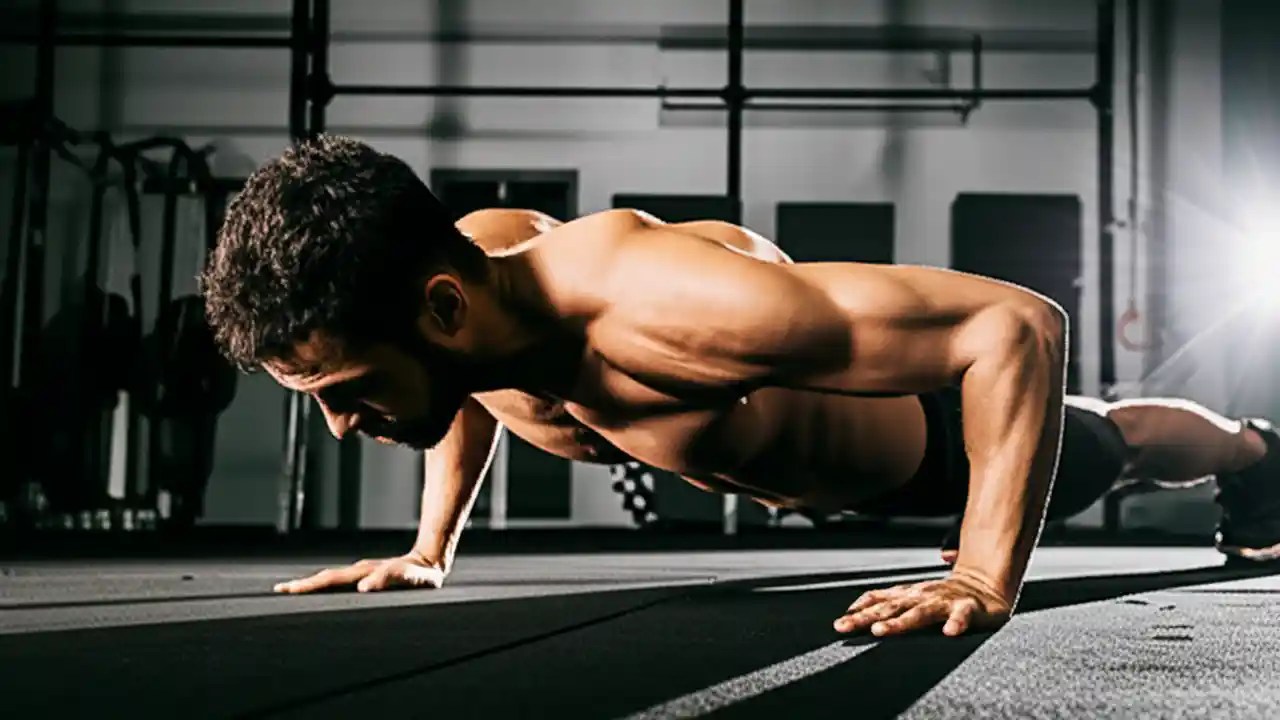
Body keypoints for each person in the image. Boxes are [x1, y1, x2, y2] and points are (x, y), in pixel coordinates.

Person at [201, 135, 1280, 639]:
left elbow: (1013, 325)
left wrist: (983, 576)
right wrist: (429, 550)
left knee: (1111, 439)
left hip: (927, 447)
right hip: (814, 468)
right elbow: (454, 397)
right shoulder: (468, 276)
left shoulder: (654, 307)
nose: (344, 426)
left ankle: (1252, 450)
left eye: (345, 393)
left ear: (441, 311)